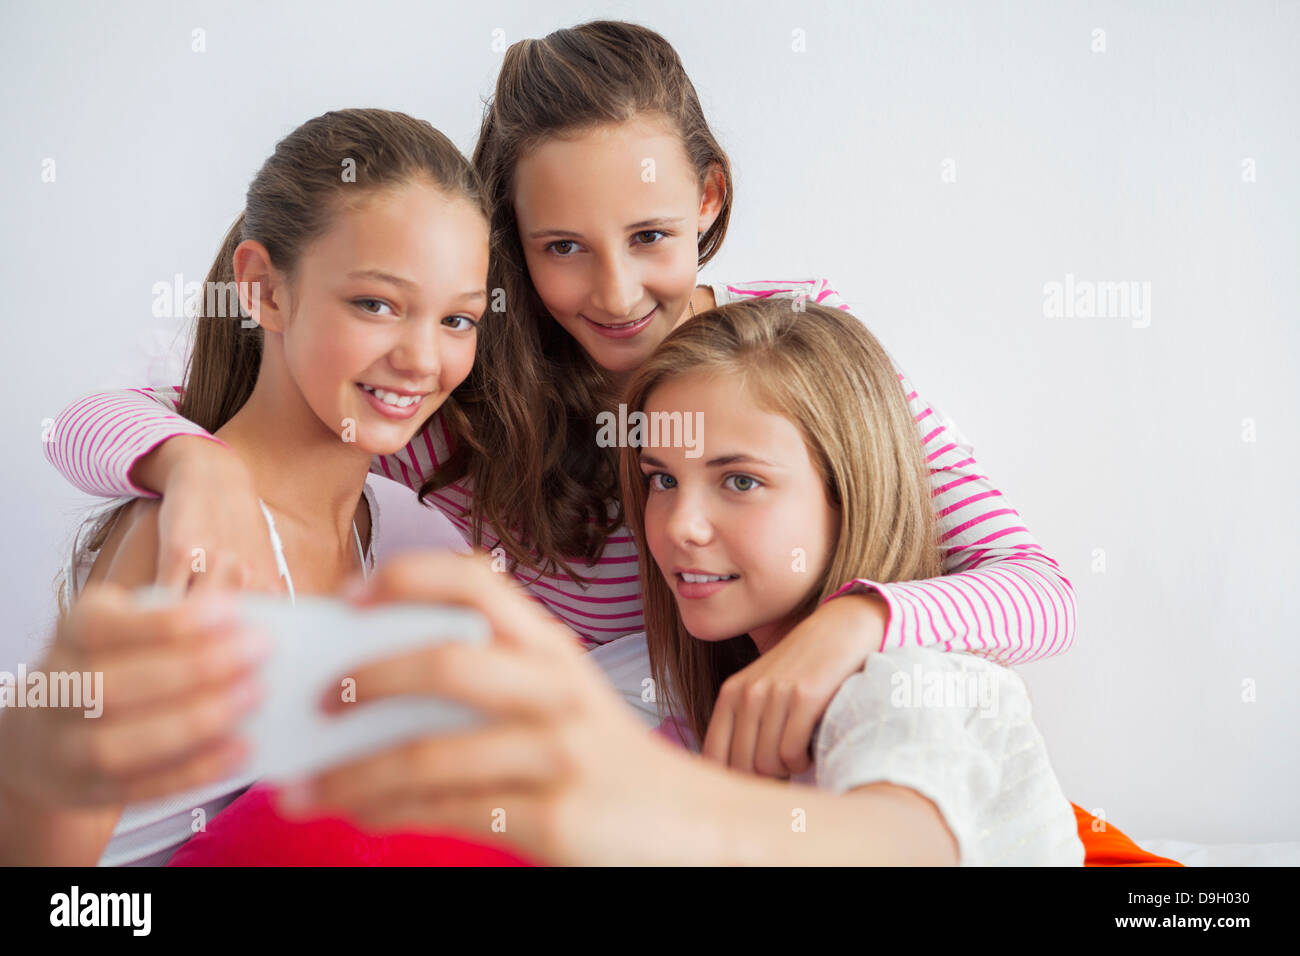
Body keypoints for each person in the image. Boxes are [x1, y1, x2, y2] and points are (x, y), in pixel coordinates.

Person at [41, 20, 1076, 777]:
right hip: (606, 770)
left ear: (707, 197)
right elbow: (102, 416)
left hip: (798, 739)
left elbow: (1038, 587)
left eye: (652, 236)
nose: (618, 294)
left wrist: (846, 625)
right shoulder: (460, 380)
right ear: (511, 236)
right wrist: (193, 464)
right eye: (562, 248)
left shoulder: (797, 348)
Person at [271, 299, 1084, 866]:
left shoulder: (918, 684)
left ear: (847, 490)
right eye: (661, 479)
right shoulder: (698, 694)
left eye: (739, 481)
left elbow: (902, 844)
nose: (679, 526)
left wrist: (645, 802)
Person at [0, 107, 490, 865]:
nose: (423, 360)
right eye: (376, 304)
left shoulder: (413, 538)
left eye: (458, 320)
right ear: (263, 290)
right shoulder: (185, 536)